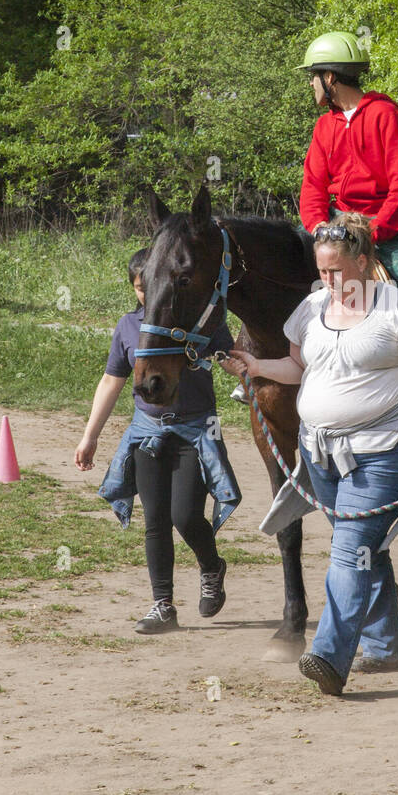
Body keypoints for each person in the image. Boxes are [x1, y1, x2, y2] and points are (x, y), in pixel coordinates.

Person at [219, 213, 398, 694]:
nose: (328, 280)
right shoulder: (310, 309)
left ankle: (330, 656)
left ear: (364, 261)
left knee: (348, 550)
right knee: (365, 551)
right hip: (321, 456)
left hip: (384, 450)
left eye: (336, 271)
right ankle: (383, 644)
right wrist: (253, 365)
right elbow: (297, 366)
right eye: (321, 271)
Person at [75, 247, 240, 634]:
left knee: (184, 516)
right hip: (147, 433)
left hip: (194, 432)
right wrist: (90, 436)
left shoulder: (200, 320)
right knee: (155, 521)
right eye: (139, 288)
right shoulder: (128, 327)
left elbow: (231, 357)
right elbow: (111, 381)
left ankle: (211, 566)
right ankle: (162, 605)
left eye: (152, 286)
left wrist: (245, 369)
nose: (147, 296)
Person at [297, 30, 398, 295]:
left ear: (329, 78)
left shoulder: (386, 115)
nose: (311, 84)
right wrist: (318, 226)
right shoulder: (324, 126)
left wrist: (372, 232)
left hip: (381, 226)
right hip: (333, 223)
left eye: (313, 77)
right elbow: (313, 186)